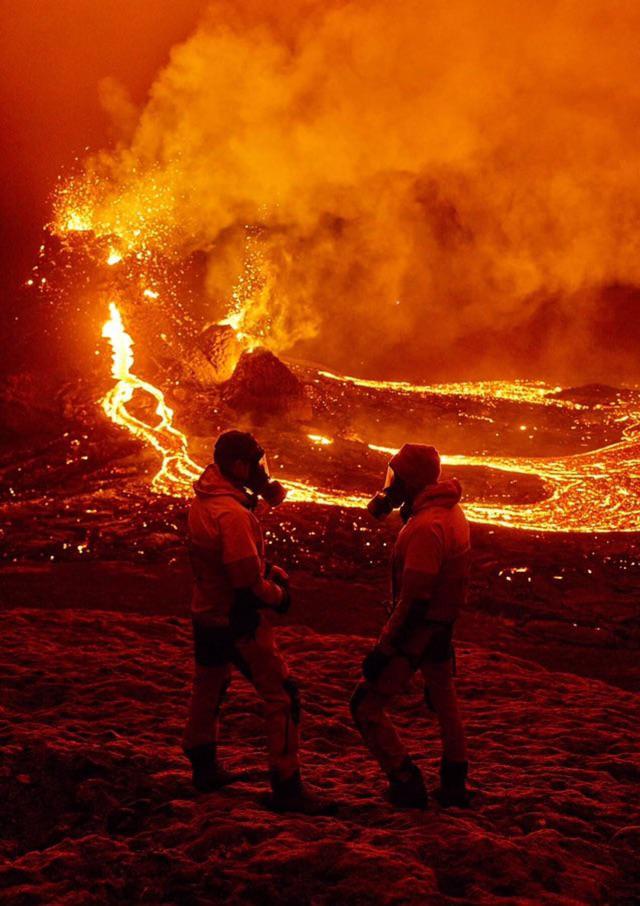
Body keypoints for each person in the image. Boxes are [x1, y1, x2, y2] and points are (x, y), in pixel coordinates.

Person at [183, 429, 332, 815]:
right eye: (255, 465)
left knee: (210, 686)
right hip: (236, 619)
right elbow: (244, 580)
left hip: (206, 610)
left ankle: (203, 766)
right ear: (239, 466)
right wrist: (279, 596)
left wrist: (263, 567)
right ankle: (287, 784)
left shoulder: (205, 501)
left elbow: (226, 562)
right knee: (282, 695)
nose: (262, 473)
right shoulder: (231, 515)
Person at [350, 443, 471, 809]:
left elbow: (414, 600)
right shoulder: (451, 513)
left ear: (411, 481)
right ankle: (454, 781)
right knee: (445, 702)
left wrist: (385, 648)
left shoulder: (427, 527)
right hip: (440, 628)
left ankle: (405, 779)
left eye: (397, 477)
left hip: (418, 632)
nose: (391, 485)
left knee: (365, 705)